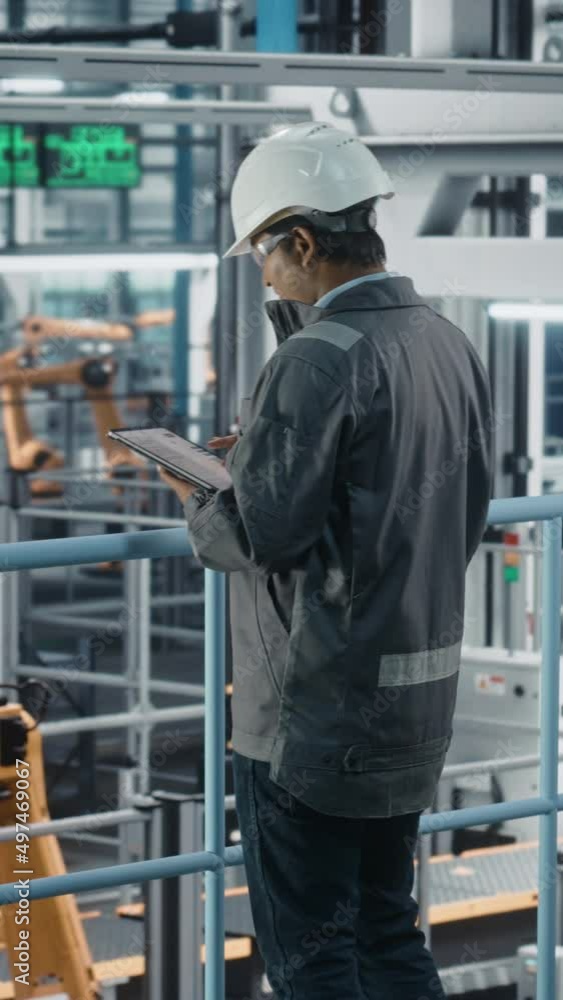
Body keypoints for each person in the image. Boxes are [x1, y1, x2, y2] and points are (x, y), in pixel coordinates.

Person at [160, 122, 494, 1000]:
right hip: (412, 704)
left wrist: (199, 489)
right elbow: (458, 505)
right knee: (386, 934)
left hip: (308, 720)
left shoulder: (314, 357)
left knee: (310, 958)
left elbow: (256, 537)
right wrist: (272, 456)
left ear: (302, 240)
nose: (263, 273)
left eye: (266, 253)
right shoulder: (447, 342)